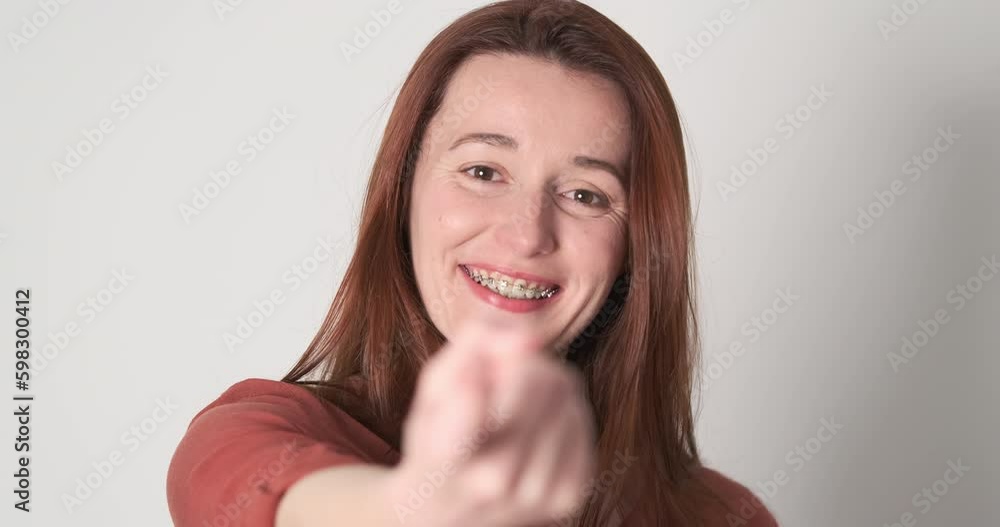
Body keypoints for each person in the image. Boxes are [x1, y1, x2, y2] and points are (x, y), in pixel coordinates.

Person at [167, 1, 780, 525]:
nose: (525, 235)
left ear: (634, 248)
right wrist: (414, 507)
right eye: (483, 171)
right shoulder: (259, 433)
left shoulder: (722, 516)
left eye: (586, 195)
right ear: (404, 194)